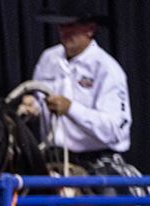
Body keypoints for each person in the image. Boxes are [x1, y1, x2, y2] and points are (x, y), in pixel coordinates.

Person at [20, 0, 131, 173]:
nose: (64, 32)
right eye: (61, 26)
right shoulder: (48, 59)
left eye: (71, 26)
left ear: (90, 29)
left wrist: (71, 109)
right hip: (52, 160)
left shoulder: (107, 69)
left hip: (96, 163)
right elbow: (41, 100)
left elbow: (116, 130)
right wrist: (33, 106)